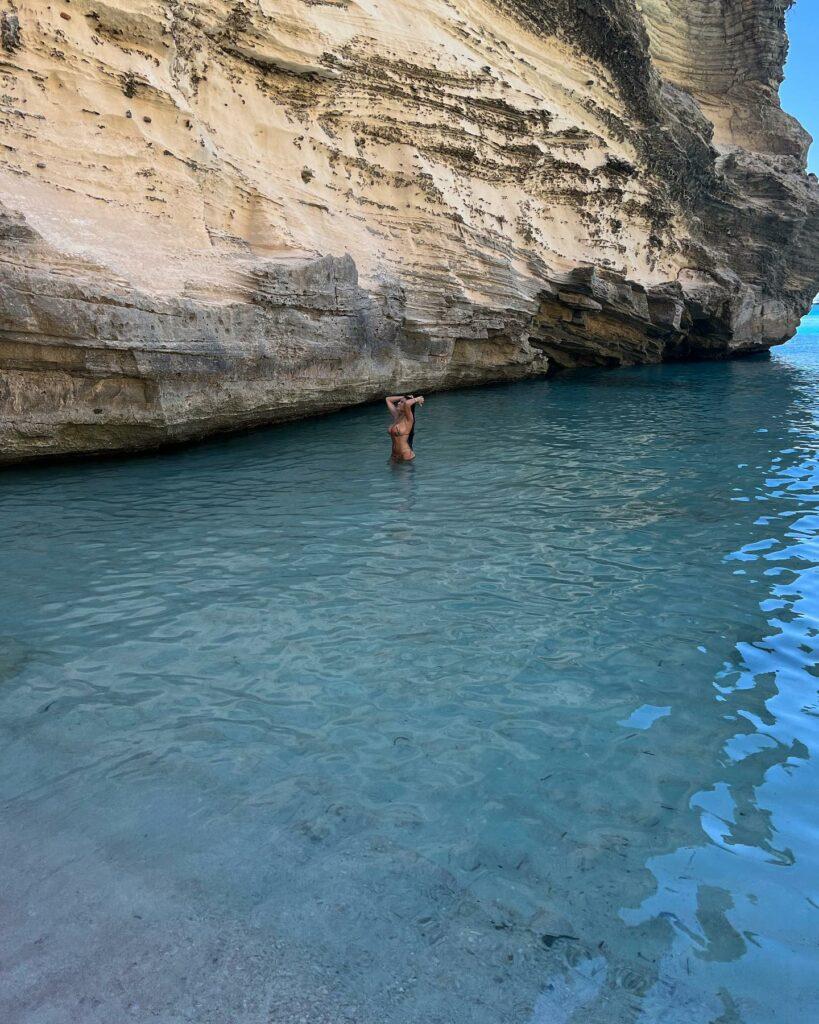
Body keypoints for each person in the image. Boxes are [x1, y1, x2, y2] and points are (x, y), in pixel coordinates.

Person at [386, 393, 424, 462]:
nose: (398, 403)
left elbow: (407, 404)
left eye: (401, 402)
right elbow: (388, 399)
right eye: (399, 401)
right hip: (394, 455)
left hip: (405, 454)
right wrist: (404, 397)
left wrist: (417, 399)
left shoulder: (409, 419)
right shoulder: (397, 416)